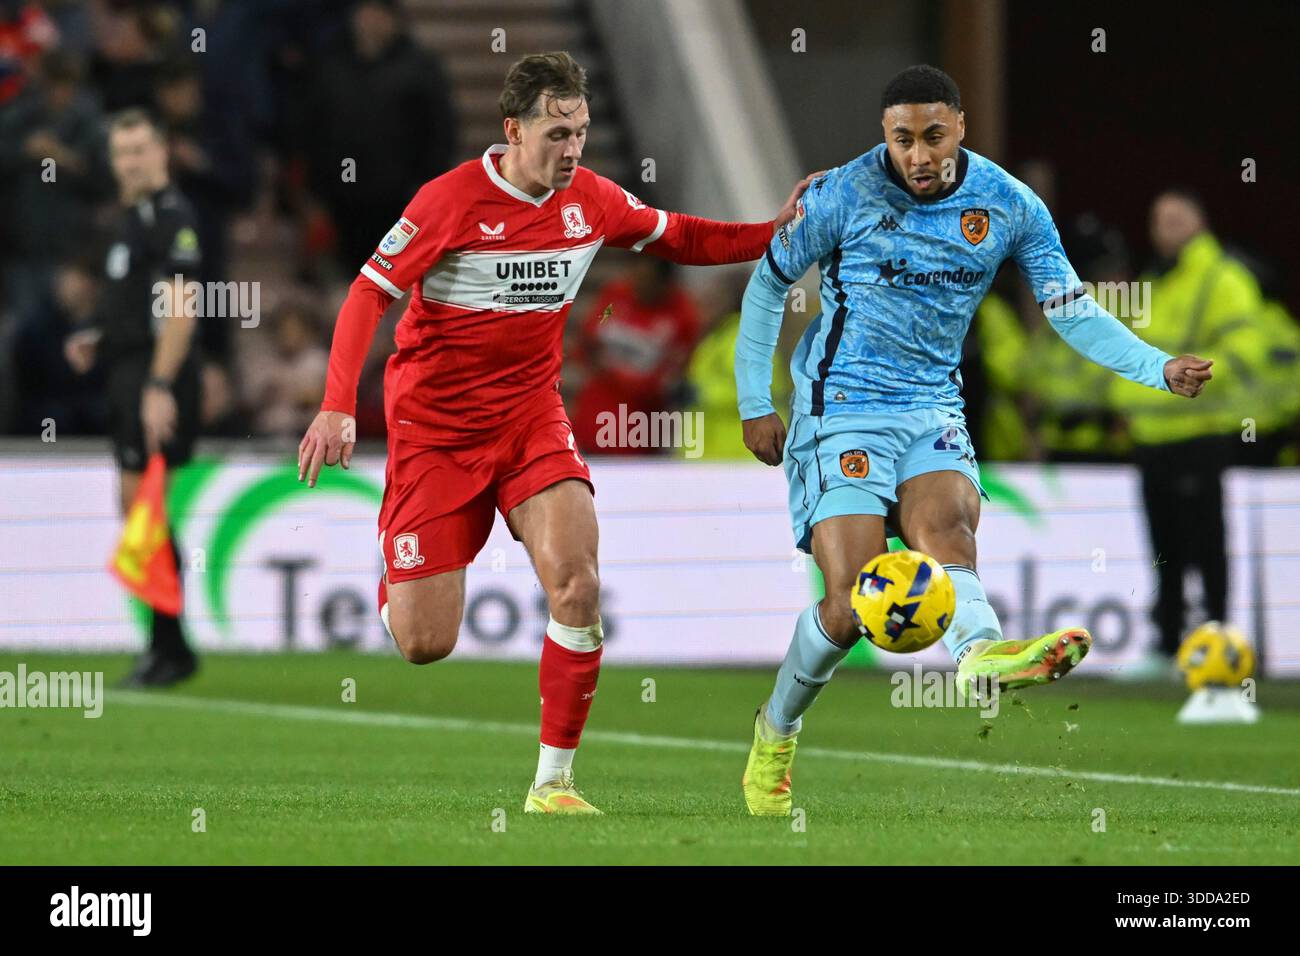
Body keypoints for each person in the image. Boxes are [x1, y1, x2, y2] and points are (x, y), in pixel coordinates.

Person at [297, 51, 816, 814]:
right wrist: (336, 403)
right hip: (436, 432)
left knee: (577, 584)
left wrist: (773, 230)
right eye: (556, 133)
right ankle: (398, 563)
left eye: (580, 131)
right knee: (423, 642)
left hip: (531, 417)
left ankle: (553, 784)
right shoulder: (449, 201)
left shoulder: (592, 201)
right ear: (513, 130)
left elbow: (683, 237)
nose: (572, 149)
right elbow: (368, 295)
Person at [733, 65, 1212, 815]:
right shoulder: (843, 195)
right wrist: (755, 401)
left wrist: (1157, 368)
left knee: (947, 531)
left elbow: (1070, 308)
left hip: (932, 407)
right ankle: (776, 731)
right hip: (844, 408)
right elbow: (766, 286)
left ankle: (980, 654)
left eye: (931, 136)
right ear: (883, 136)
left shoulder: (1011, 205)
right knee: (850, 601)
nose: (917, 155)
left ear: (959, 126)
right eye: (901, 139)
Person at [64, 108, 203, 688]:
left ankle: (169, 648)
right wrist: (99, 336)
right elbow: (138, 305)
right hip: (128, 373)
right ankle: (167, 644)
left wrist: (158, 386)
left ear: (162, 151)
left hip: (154, 382)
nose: (132, 162)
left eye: (142, 149)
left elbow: (180, 308)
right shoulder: (129, 218)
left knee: (143, 507)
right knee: (139, 511)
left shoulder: (172, 217)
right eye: (123, 153)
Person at [1110, 190, 1270, 675]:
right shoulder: (1157, 282)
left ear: (1200, 221)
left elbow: (1248, 346)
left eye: (1177, 217)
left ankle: (1218, 645)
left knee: (1205, 545)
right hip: (1151, 436)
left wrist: (1204, 380)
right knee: (1164, 549)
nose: (1166, 227)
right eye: (1158, 219)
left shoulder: (1223, 277)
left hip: (1199, 432)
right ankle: (1166, 646)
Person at [569, 256, 700, 455]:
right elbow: (589, 337)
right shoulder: (616, 298)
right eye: (635, 278)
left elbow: (674, 374)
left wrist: (622, 374)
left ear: (664, 282)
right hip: (594, 419)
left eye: (647, 280)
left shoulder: (682, 316)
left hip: (639, 430)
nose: (638, 286)